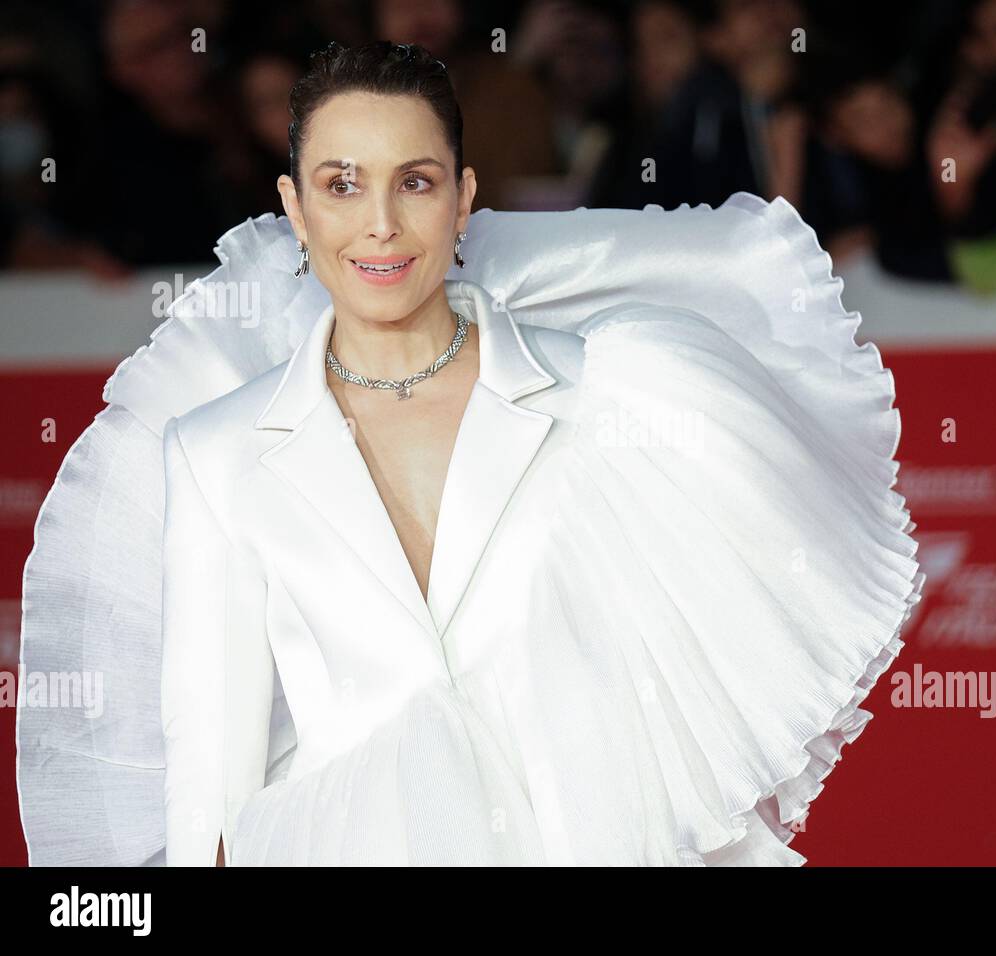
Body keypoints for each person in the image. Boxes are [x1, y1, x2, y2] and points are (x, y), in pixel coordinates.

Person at [15, 40, 923, 867]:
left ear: (464, 197)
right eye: (341, 184)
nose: (379, 224)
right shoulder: (213, 453)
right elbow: (210, 771)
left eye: (413, 182)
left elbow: (669, 702)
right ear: (292, 207)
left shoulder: (604, 396)